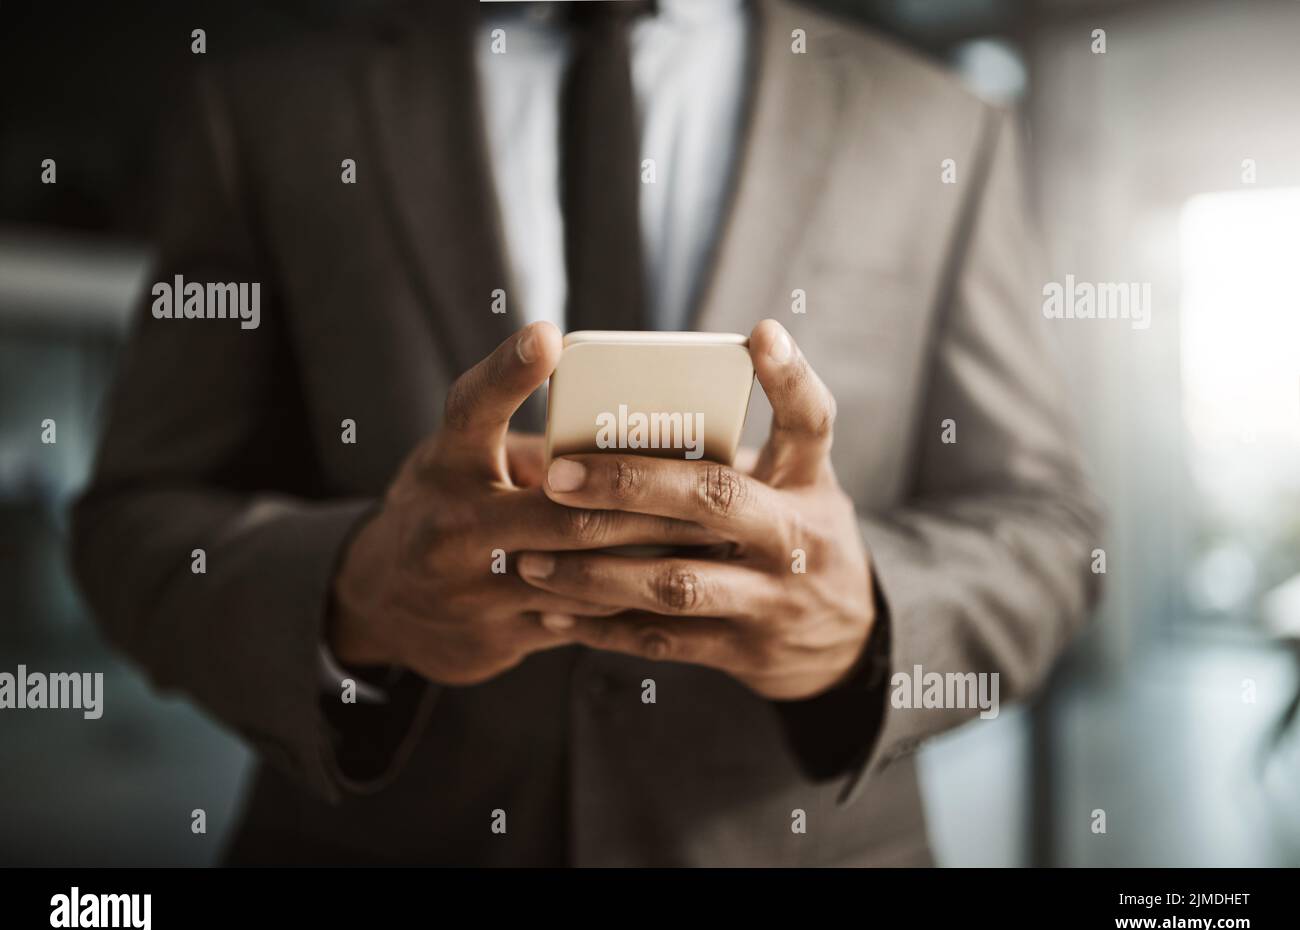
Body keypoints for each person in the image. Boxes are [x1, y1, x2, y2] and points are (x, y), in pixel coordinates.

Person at [71, 0, 1102, 865]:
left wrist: (871, 621)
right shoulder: (270, 112)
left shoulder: (936, 124)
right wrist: (353, 597)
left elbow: (1049, 529)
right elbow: (135, 517)